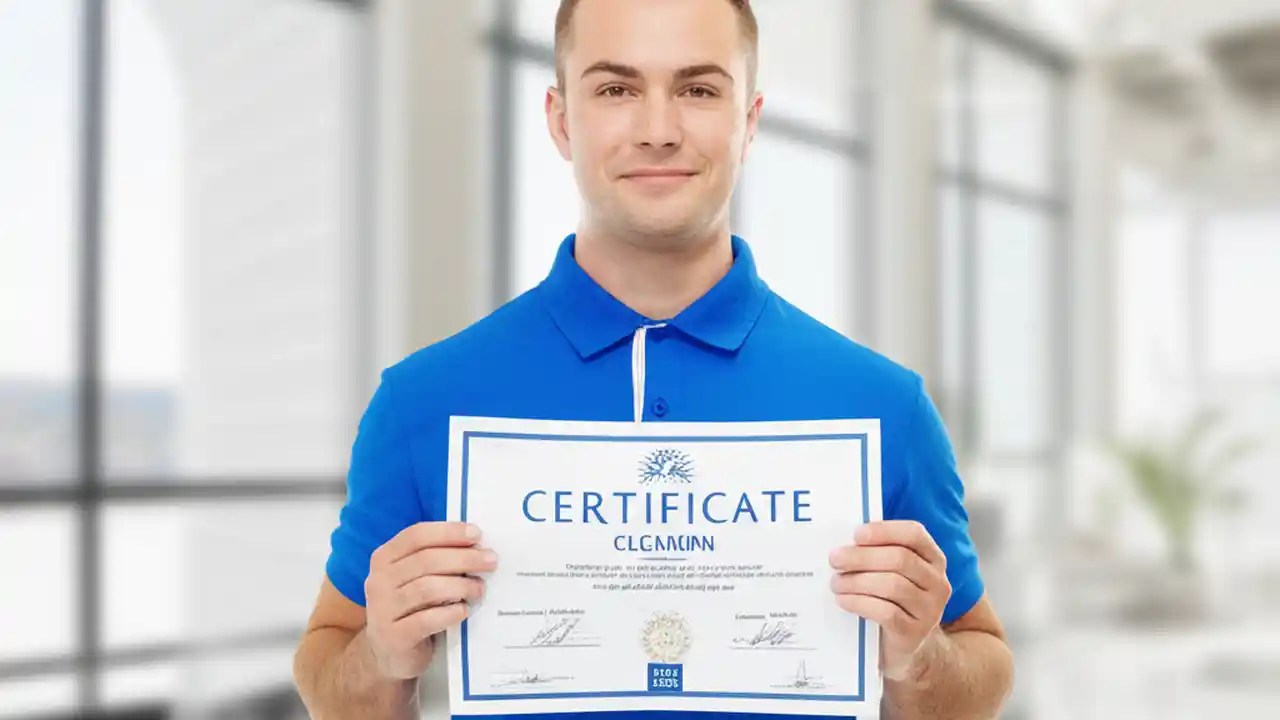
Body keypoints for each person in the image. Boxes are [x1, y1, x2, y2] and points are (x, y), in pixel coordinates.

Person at [292, 0, 1013, 717]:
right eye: (616, 89)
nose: (659, 131)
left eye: (698, 90)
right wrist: (382, 657)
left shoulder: (884, 408)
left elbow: (982, 665)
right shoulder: (423, 403)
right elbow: (327, 670)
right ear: (560, 118)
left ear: (749, 120)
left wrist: (921, 659)